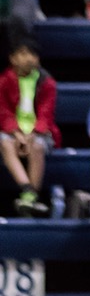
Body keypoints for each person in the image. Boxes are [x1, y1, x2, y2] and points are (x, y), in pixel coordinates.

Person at [0, 39, 57, 215]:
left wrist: (32, 134)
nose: (29, 58)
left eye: (32, 54)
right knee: (4, 143)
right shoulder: (4, 81)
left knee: (38, 146)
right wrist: (17, 134)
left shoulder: (47, 82)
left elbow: (45, 114)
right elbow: (3, 112)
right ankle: (28, 190)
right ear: (13, 58)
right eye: (23, 54)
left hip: (39, 133)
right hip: (12, 132)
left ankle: (30, 199)